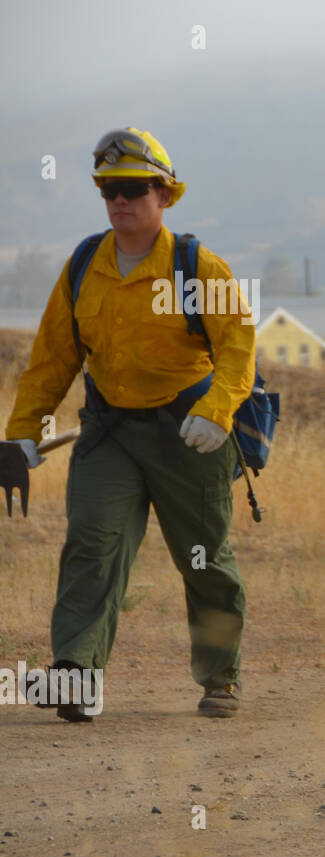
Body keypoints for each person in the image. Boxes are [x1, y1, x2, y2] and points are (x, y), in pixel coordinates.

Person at [1, 127, 255, 720]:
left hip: (189, 435)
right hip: (109, 433)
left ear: (164, 195)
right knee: (93, 543)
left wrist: (216, 414)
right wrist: (22, 431)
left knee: (203, 556)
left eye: (134, 188)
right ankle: (77, 678)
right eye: (109, 188)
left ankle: (221, 678)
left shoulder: (199, 268)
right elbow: (52, 360)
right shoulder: (85, 265)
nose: (120, 199)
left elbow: (240, 353)